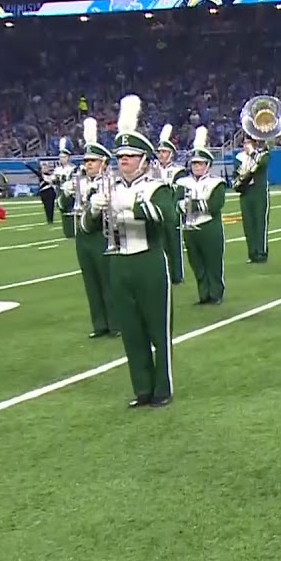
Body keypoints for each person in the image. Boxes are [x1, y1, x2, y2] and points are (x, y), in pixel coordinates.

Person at [84, 95, 177, 408]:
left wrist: (133, 205)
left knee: (156, 329)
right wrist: (94, 211)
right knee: (131, 331)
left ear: (144, 160)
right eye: (120, 155)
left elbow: (165, 219)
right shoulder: (105, 188)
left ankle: (162, 388)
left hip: (148, 261)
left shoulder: (156, 187)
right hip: (118, 263)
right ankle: (142, 389)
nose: (123, 159)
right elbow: (85, 227)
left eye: (130, 155)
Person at [58, 118, 117, 336]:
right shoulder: (79, 181)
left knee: (107, 281)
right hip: (82, 237)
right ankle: (99, 324)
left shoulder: (111, 182)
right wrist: (65, 193)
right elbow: (63, 207)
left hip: (102, 234)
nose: (88, 164)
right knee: (91, 282)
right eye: (86, 160)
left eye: (93, 160)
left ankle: (115, 323)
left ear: (104, 163)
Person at [174, 128, 226, 305]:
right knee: (196, 264)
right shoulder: (182, 182)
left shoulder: (216, 183)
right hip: (189, 228)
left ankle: (216, 293)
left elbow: (215, 206)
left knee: (213, 262)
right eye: (194, 164)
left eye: (200, 164)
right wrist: (188, 205)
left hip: (209, 227)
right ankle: (203, 294)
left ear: (208, 165)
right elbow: (176, 203)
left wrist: (191, 205)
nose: (197, 167)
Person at [152, 126, 185, 285]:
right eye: (160, 152)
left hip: (172, 212)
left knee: (173, 244)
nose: (161, 155)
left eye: (165, 152)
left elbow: (178, 191)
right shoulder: (152, 170)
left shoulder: (179, 171)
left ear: (171, 154)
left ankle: (176, 275)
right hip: (156, 212)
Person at [234, 136, 272, 264]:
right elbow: (236, 173)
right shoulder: (239, 157)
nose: (246, 145)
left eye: (248, 142)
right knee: (248, 224)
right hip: (246, 192)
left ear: (255, 143)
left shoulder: (262, 154)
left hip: (259, 191)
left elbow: (262, 164)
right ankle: (252, 253)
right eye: (244, 143)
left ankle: (261, 253)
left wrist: (252, 153)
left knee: (260, 222)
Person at [53, 141, 78, 238]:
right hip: (60, 193)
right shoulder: (57, 169)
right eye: (61, 157)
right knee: (63, 212)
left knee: (71, 212)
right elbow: (54, 181)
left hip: (70, 193)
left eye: (64, 157)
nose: (62, 159)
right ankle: (67, 231)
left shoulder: (73, 168)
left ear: (68, 157)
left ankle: (72, 230)